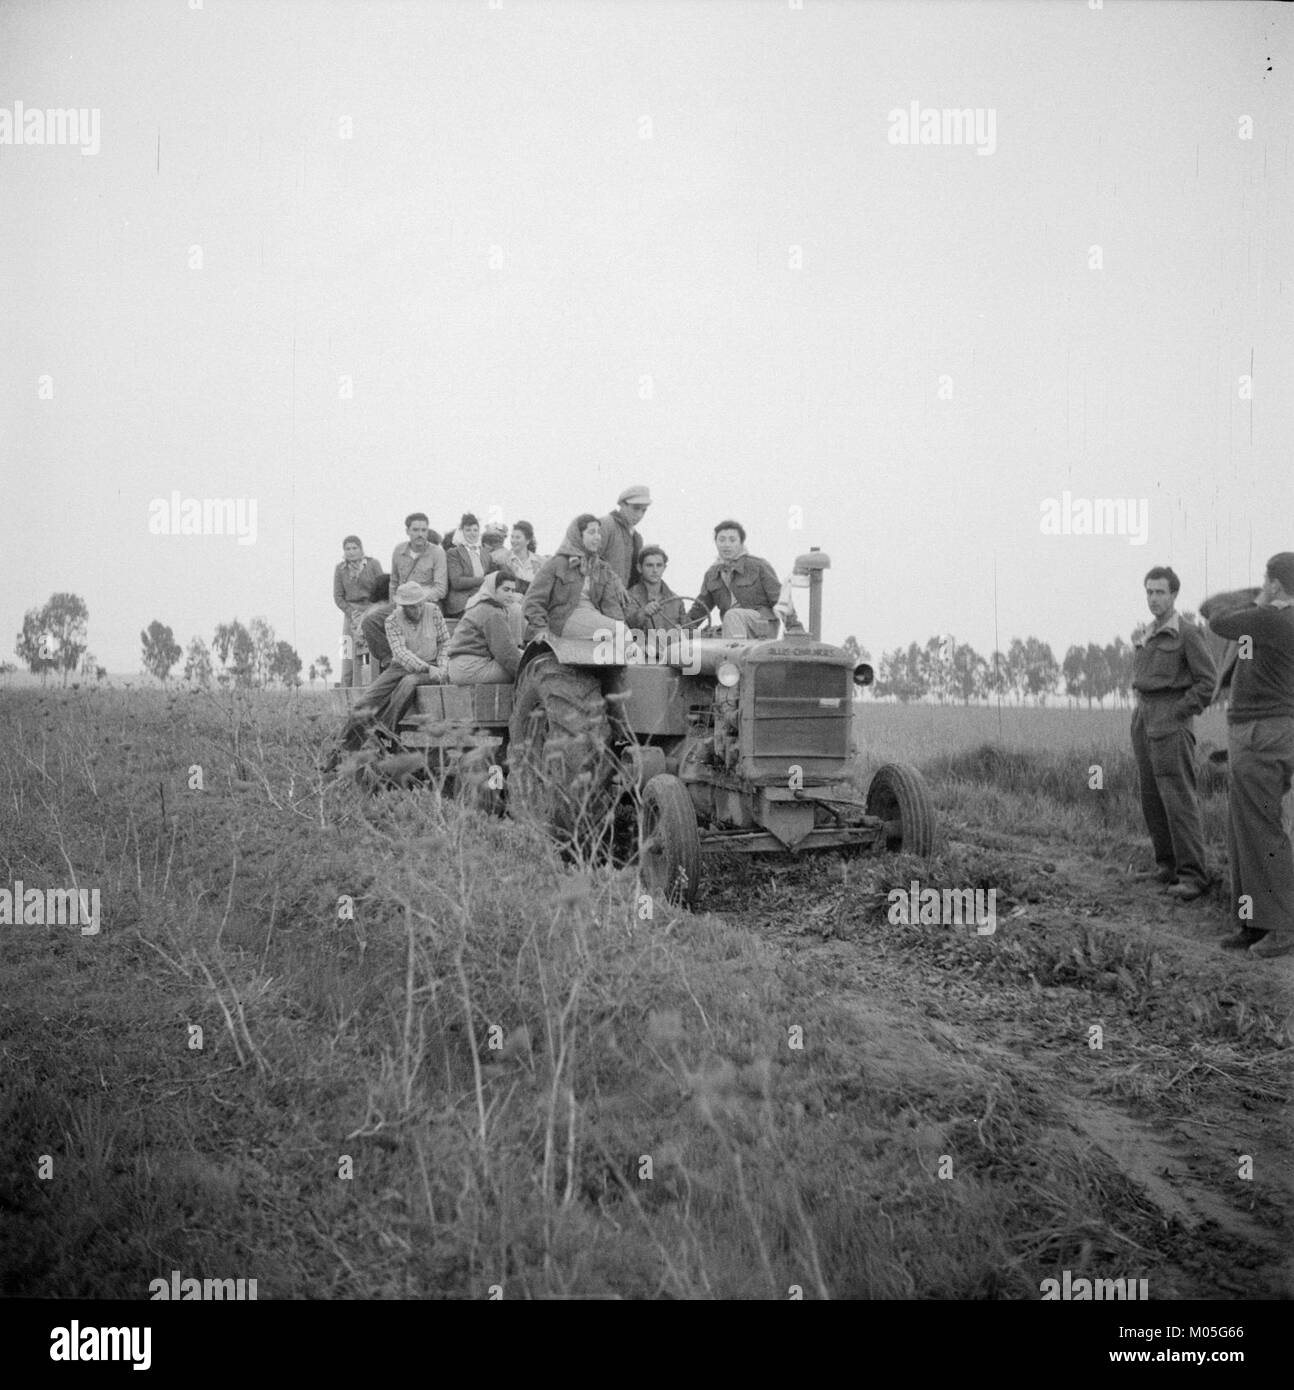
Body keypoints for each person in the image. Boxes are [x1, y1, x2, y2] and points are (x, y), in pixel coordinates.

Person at [1200, 552, 1294, 958]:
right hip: (1265, 734)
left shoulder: (1270, 618)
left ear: (1274, 584)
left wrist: (1256, 597)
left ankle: (1282, 926)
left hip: (1260, 734)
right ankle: (1254, 922)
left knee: (1260, 830)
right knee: (1248, 831)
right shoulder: (1278, 621)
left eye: (1265, 580)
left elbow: (1214, 613)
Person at [1128, 566, 1217, 901]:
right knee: (1151, 796)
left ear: (1174, 595)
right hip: (1144, 719)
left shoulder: (1188, 634)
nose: (1153, 599)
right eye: (1149, 592)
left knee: (1178, 798)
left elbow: (1208, 683)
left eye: (1160, 592)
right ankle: (1166, 865)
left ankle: (1193, 876)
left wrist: (1179, 711)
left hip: (1171, 721)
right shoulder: (1146, 633)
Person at [338, 582, 449, 751]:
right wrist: (428, 669)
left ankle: (383, 732)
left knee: (409, 682)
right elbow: (401, 652)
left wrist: (441, 667)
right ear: (402, 606)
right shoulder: (392, 620)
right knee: (365, 702)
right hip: (402, 666)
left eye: (420, 605)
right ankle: (340, 750)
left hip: (432, 664)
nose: (418, 610)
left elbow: (444, 642)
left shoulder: (433, 611)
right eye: (412, 607)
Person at [361, 513, 447, 673]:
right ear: (407, 531)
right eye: (415, 529)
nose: (420, 534)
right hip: (401, 603)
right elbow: (393, 582)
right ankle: (392, 661)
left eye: (424, 530)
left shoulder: (437, 553)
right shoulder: (398, 551)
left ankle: (417, 663)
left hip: (427, 603)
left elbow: (440, 588)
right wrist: (395, 603)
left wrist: (415, 600)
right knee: (370, 623)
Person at [523, 514, 629, 640]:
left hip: (592, 616)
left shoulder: (601, 568)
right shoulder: (557, 563)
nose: (597, 537)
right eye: (591, 532)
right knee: (620, 632)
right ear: (578, 536)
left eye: (599, 532)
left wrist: (621, 624)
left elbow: (610, 604)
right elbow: (533, 599)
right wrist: (539, 628)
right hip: (563, 619)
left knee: (625, 636)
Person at [687, 520, 783, 639]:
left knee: (733, 615)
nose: (726, 545)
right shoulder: (712, 574)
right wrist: (681, 628)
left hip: (761, 624)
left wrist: (795, 628)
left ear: (741, 543)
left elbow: (780, 600)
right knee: (704, 638)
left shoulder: (758, 566)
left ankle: (735, 654)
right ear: (716, 543)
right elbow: (700, 609)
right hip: (732, 627)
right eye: (722, 540)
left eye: (732, 540)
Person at [448, 569, 525, 684]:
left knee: (522, 657)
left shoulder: (482, 605)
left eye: (513, 591)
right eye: (506, 589)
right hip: (470, 668)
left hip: (460, 668)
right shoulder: (491, 612)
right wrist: (525, 672)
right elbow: (505, 652)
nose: (510, 594)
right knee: (529, 668)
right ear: (493, 589)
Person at [333, 535, 383, 686]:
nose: (351, 552)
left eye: (354, 548)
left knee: (374, 653)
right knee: (347, 652)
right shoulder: (340, 569)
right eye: (348, 549)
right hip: (351, 613)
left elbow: (381, 587)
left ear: (361, 549)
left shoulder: (373, 564)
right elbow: (338, 596)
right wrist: (350, 612)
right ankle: (347, 686)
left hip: (372, 610)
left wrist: (374, 609)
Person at [444, 513, 498, 623]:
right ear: (462, 532)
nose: (472, 533)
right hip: (463, 600)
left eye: (475, 530)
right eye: (468, 530)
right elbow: (457, 582)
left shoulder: (485, 554)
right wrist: (484, 580)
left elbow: (493, 576)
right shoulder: (454, 553)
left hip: (484, 596)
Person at [599, 486, 651, 590]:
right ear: (622, 504)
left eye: (644, 510)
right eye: (636, 508)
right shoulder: (605, 525)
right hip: (598, 598)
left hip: (621, 601)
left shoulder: (637, 538)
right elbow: (588, 561)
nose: (639, 515)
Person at [626, 544, 686, 630]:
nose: (655, 570)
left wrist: (682, 632)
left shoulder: (676, 601)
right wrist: (643, 613)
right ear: (639, 568)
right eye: (649, 565)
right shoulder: (629, 597)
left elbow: (689, 630)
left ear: (664, 568)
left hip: (671, 642)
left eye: (659, 565)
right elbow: (625, 626)